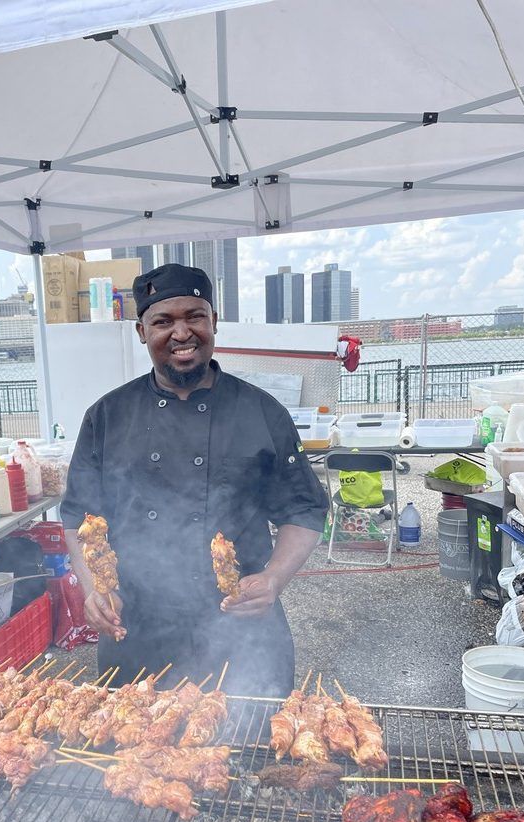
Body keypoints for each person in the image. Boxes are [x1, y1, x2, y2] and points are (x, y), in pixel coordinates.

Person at [61, 262, 328, 696]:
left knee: (257, 751)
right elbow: (77, 517)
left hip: (242, 627)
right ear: (141, 332)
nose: (181, 333)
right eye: (163, 321)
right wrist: (95, 591)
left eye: (194, 317)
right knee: (137, 753)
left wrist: (274, 580)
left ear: (214, 322)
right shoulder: (107, 416)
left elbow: (304, 510)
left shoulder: (262, 412)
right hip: (139, 629)